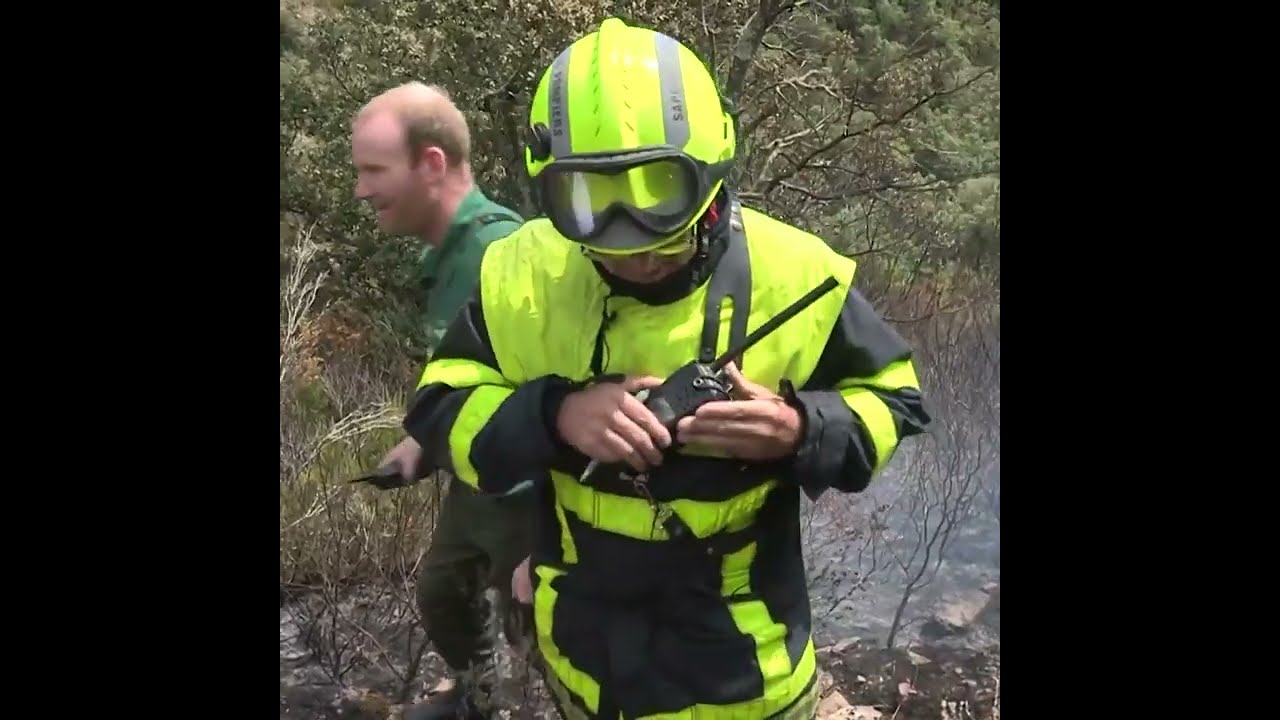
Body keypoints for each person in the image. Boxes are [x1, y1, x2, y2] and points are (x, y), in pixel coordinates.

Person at [397, 18, 932, 720]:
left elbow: (897, 401)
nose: (632, 245)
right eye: (590, 200)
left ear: (712, 170)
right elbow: (441, 408)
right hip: (586, 665)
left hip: (748, 674)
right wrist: (555, 414)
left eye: (658, 194)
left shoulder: (799, 277)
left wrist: (799, 429)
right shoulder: (521, 274)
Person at [349, 81, 534, 720]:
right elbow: (470, 374)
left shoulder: (501, 252)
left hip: (525, 496)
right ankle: (478, 699)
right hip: (475, 483)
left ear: (431, 164)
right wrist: (419, 444)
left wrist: (548, 540)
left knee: (534, 636)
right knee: (441, 592)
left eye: (374, 170)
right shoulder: (448, 253)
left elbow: (556, 389)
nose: (361, 189)